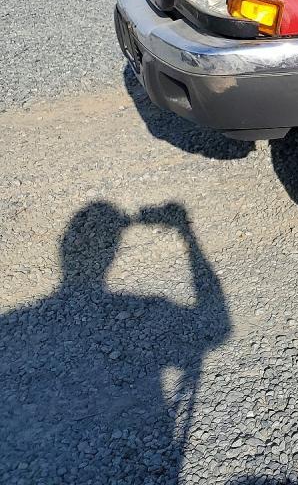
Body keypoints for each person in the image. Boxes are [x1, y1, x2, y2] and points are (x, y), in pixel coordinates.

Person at [0, 201, 230, 483]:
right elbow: (217, 325)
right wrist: (188, 236)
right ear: (113, 253)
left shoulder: (11, 322)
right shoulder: (148, 306)